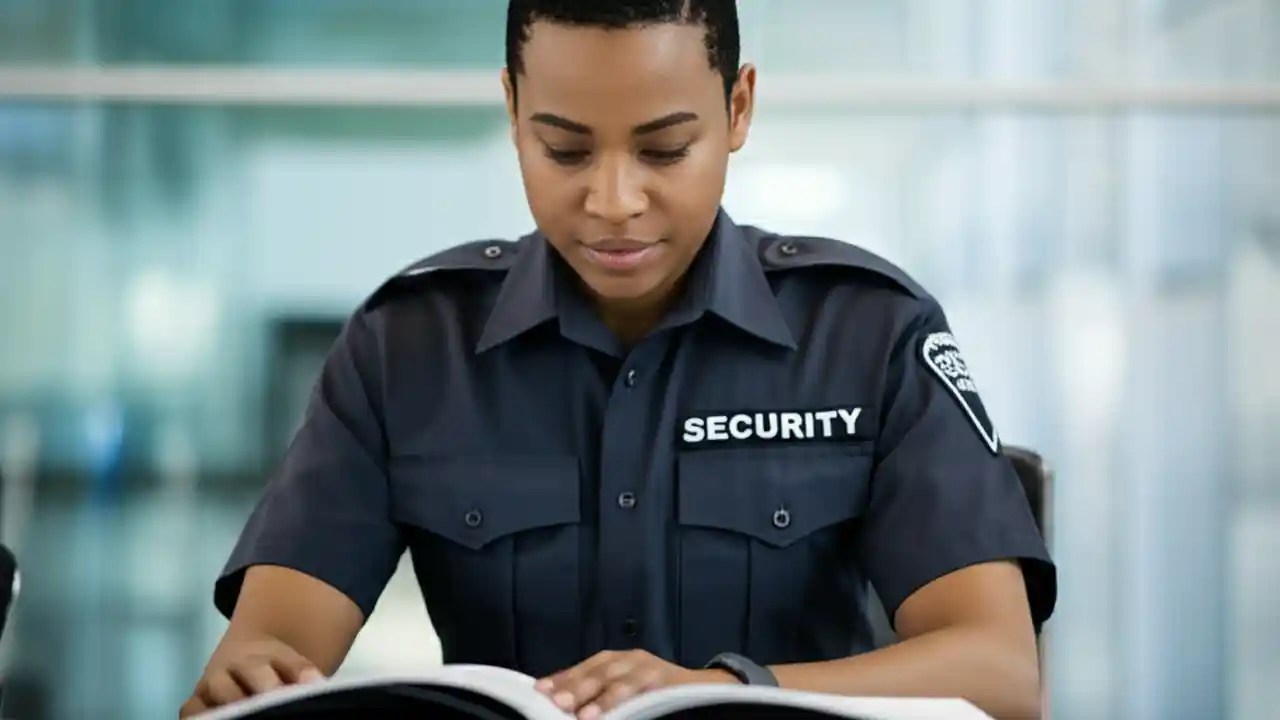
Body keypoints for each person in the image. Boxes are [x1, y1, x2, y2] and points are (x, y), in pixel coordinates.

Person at [180, 2, 1056, 718]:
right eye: (562, 150)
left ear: (738, 109)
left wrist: (722, 693)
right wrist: (251, 683)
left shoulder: (867, 334)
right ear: (512, 110)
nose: (612, 201)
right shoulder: (407, 347)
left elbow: (1000, 673)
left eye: (663, 149)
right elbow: (270, 652)